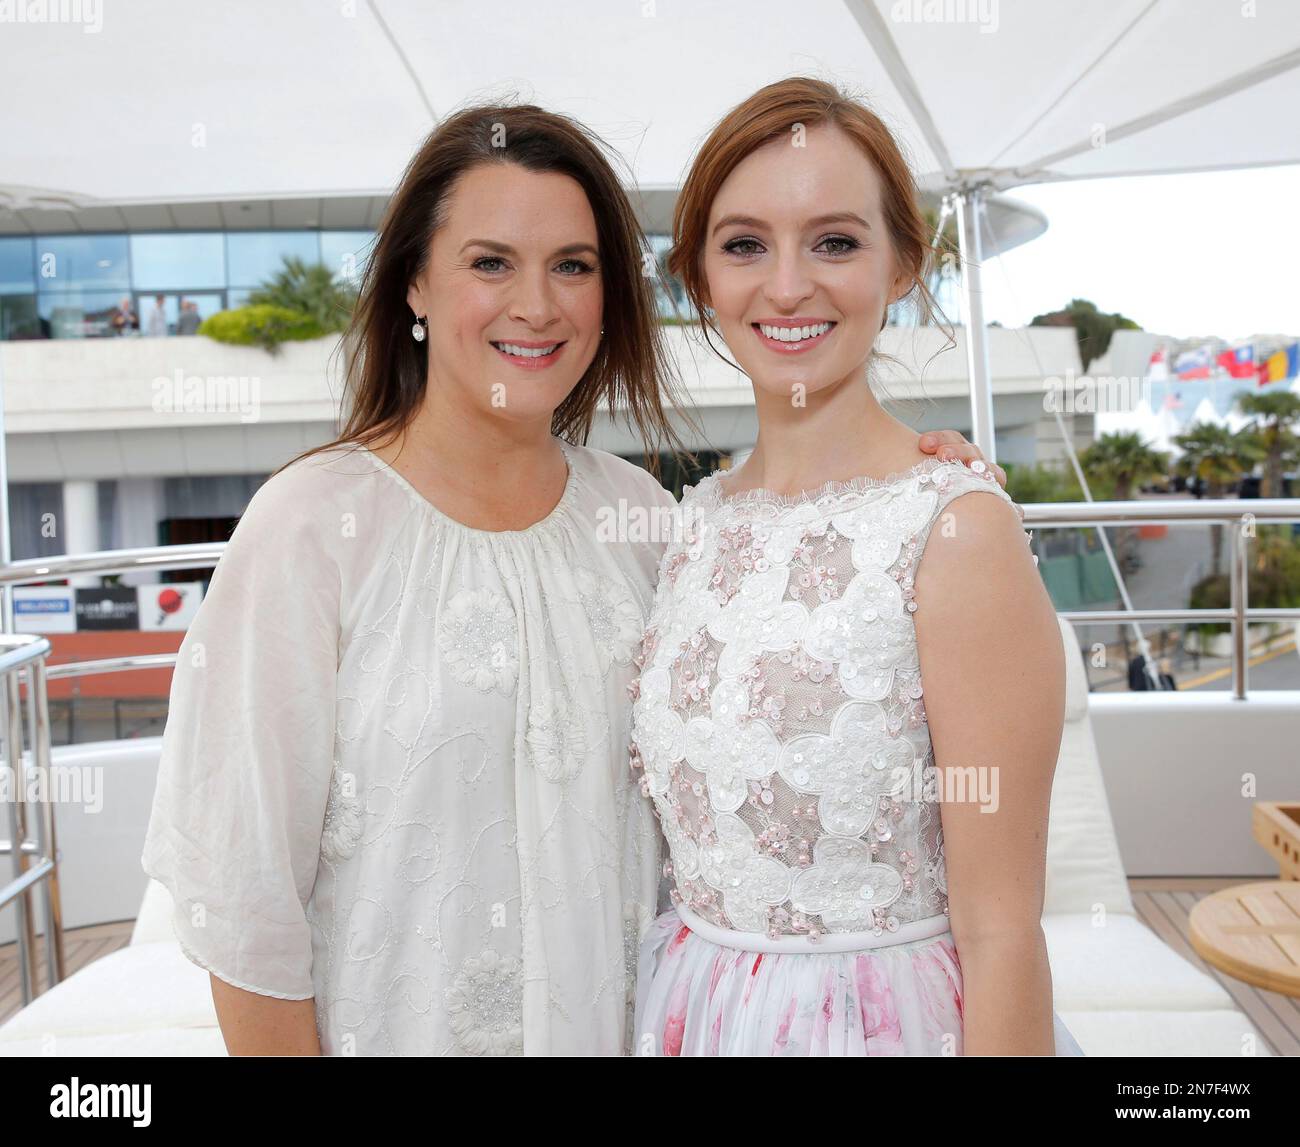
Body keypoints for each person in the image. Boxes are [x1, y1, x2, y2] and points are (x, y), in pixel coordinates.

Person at [140, 100, 1002, 1057]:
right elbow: (243, 899)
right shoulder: (312, 526)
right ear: (414, 284)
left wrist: (911, 490)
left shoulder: (644, 521)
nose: (537, 305)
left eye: (574, 266)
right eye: (490, 261)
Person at [629, 78, 1084, 1056]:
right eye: (744, 243)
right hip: (691, 1012)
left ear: (904, 267)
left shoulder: (954, 530)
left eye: (834, 241)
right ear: (700, 275)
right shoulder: (694, 524)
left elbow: (1002, 930)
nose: (787, 285)